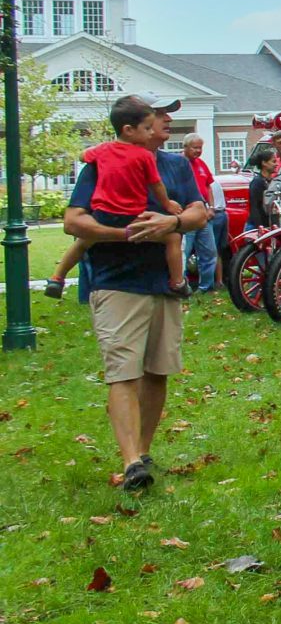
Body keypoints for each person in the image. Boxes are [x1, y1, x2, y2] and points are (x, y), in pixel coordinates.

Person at [64, 96, 210, 491]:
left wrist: (172, 221)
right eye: (158, 115)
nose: (163, 122)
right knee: (123, 372)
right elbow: (73, 221)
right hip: (116, 282)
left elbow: (199, 212)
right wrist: (125, 233)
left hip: (163, 283)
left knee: (157, 370)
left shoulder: (176, 166)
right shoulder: (100, 163)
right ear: (133, 126)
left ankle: (142, 454)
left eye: (165, 116)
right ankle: (130, 462)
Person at [45, 97, 189, 300]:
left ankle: (57, 277)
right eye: (147, 127)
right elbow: (156, 185)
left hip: (103, 214)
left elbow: (83, 155)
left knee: (82, 243)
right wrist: (167, 204)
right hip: (133, 216)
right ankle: (177, 282)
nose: (150, 132)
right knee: (173, 238)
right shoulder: (144, 155)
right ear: (129, 129)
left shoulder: (103, 150)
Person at [181, 134, 228, 293]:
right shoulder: (179, 164)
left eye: (200, 148)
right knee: (184, 252)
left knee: (209, 252)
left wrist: (211, 208)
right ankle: (182, 286)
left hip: (204, 214)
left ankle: (205, 287)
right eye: (195, 148)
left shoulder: (201, 164)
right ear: (185, 147)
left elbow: (208, 186)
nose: (198, 151)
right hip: (187, 214)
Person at [245, 144, 278, 232]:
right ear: (264, 163)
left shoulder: (269, 181)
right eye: (273, 161)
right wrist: (259, 227)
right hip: (256, 226)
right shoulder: (257, 182)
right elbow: (255, 206)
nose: (276, 164)